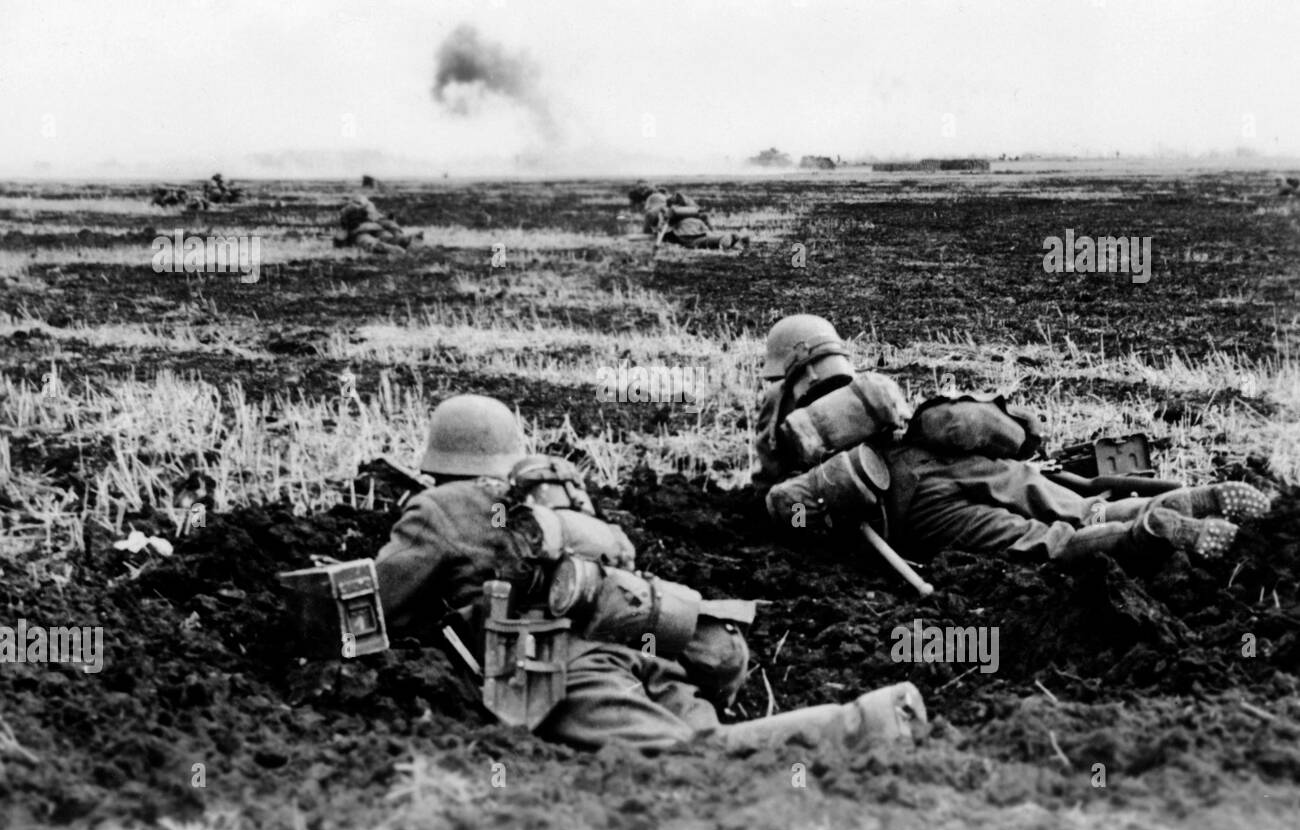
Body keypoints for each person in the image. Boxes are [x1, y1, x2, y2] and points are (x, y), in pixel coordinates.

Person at [374, 393, 926, 754]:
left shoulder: (437, 508)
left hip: (557, 668)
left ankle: (870, 724)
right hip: (636, 641)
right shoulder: (550, 497)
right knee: (708, 740)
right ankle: (852, 739)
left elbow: (381, 607)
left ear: (438, 456)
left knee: (679, 762)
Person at [754, 314, 1271, 565]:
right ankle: (1185, 501)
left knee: (1047, 545)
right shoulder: (869, 396)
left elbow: (785, 506)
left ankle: (1154, 532)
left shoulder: (792, 424)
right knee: (1084, 507)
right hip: (949, 457)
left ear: (792, 370)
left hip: (913, 509)